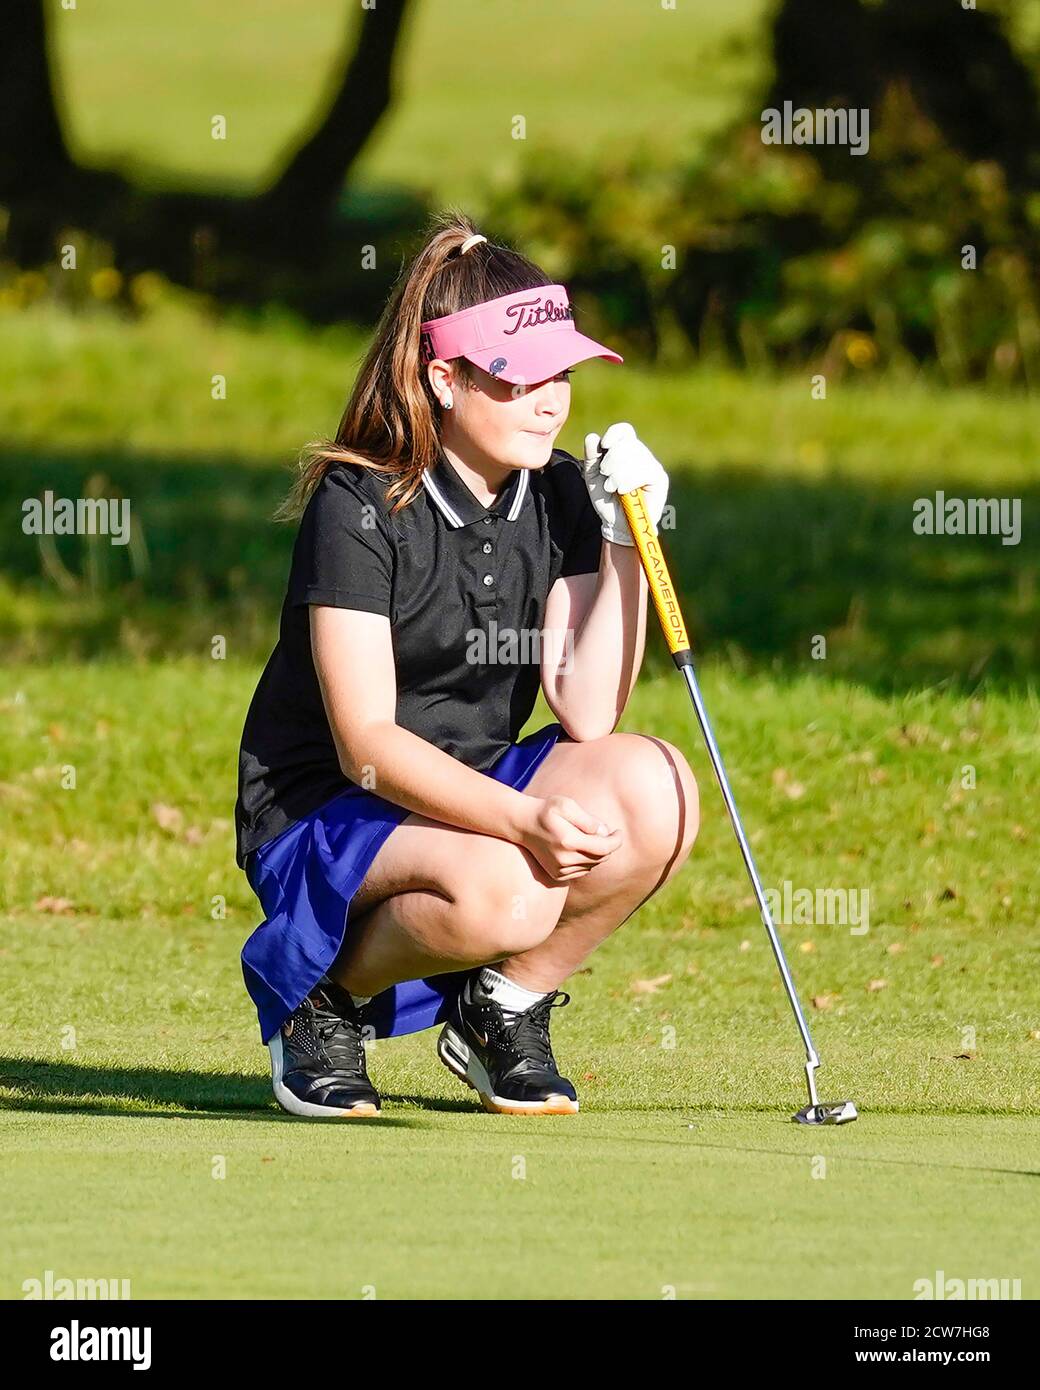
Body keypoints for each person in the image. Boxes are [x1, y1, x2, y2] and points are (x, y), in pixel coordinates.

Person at [234, 212, 700, 1119]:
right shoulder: (359, 502)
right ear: (443, 378)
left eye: (560, 371)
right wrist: (524, 822)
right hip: (326, 811)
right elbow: (367, 744)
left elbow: (589, 711)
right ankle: (322, 1002)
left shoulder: (561, 490)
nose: (549, 399)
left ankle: (503, 1006)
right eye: (516, 375)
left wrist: (623, 541)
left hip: (473, 787)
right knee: (509, 895)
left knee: (661, 790)